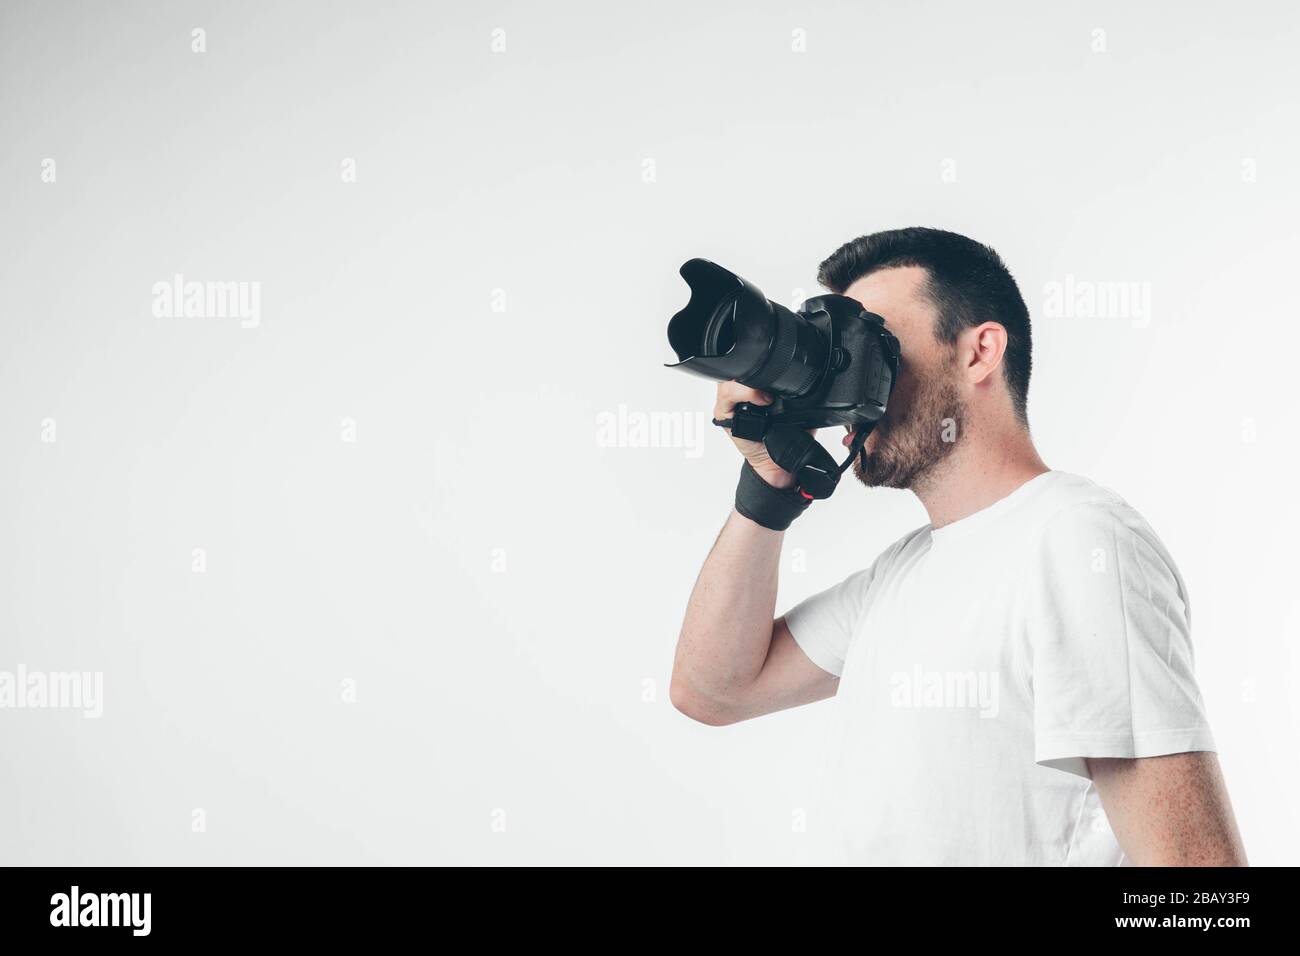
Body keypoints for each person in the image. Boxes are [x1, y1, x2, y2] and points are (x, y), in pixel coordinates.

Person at [669, 227, 1247, 866]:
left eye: (877, 344)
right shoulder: (901, 572)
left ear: (980, 353)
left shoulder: (1079, 542)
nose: (853, 390)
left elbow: (1204, 887)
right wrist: (767, 490)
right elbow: (712, 690)